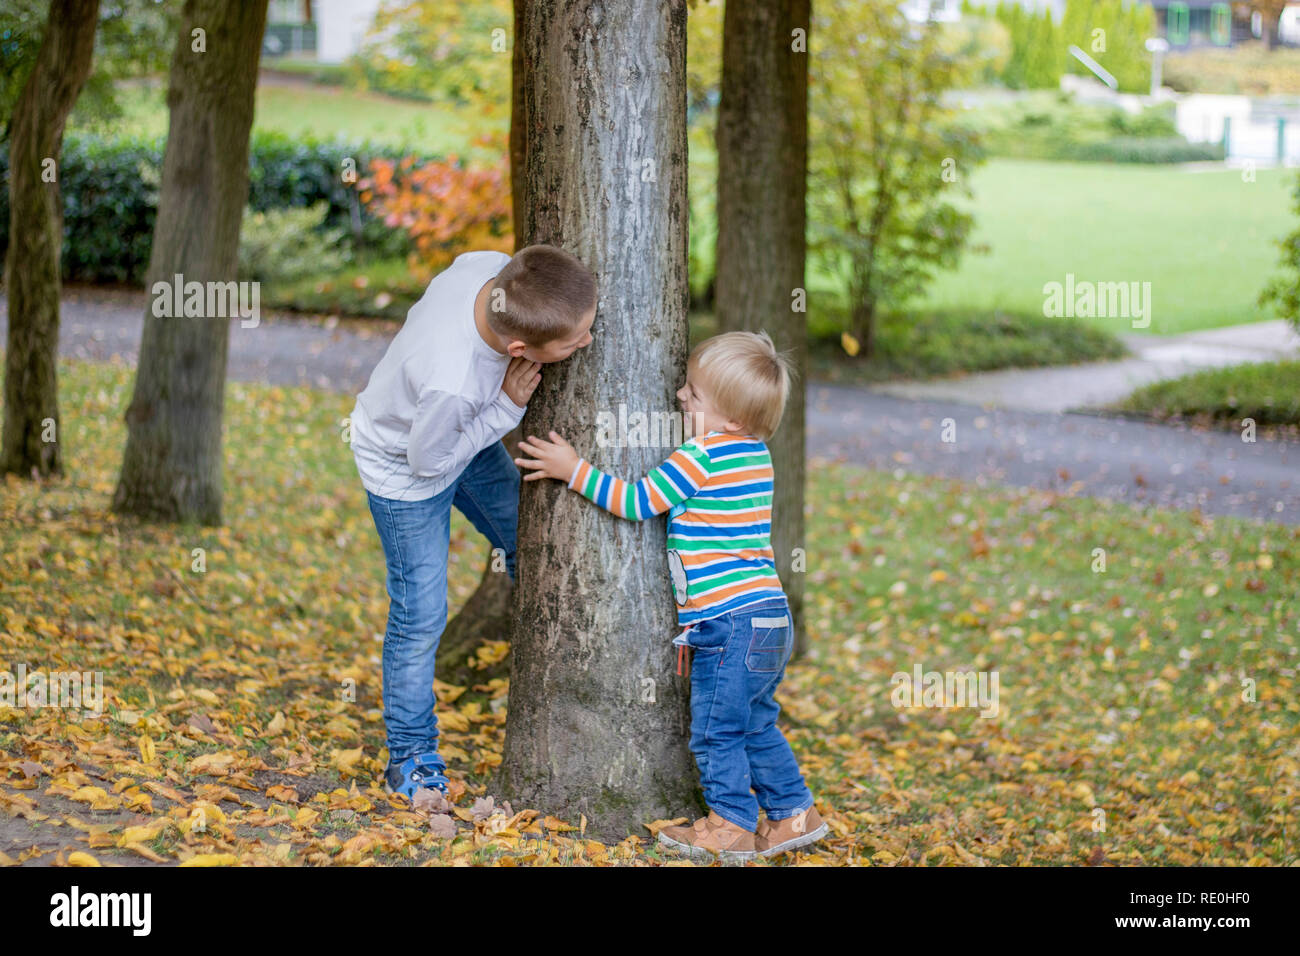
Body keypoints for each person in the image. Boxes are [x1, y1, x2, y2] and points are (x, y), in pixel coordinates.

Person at [514, 330, 827, 862]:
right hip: (771, 617)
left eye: (694, 393)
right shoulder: (756, 456)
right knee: (756, 722)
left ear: (729, 419)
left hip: (729, 623)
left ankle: (728, 825)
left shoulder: (700, 455)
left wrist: (574, 470)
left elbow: (637, 501)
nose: (681, 396)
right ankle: (794, 812)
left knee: (715, 731)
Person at [350, 244, 597, 799]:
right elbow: (428, 461)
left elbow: (472, 255)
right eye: (573, 340)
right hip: (406, 471)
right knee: (420, 615)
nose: (587, 342)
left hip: (458, 436)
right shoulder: (454, 379)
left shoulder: (490, 271)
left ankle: (543, 672)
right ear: (518, 349)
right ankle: (411, 756)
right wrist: (506, 408)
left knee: (526, 546)